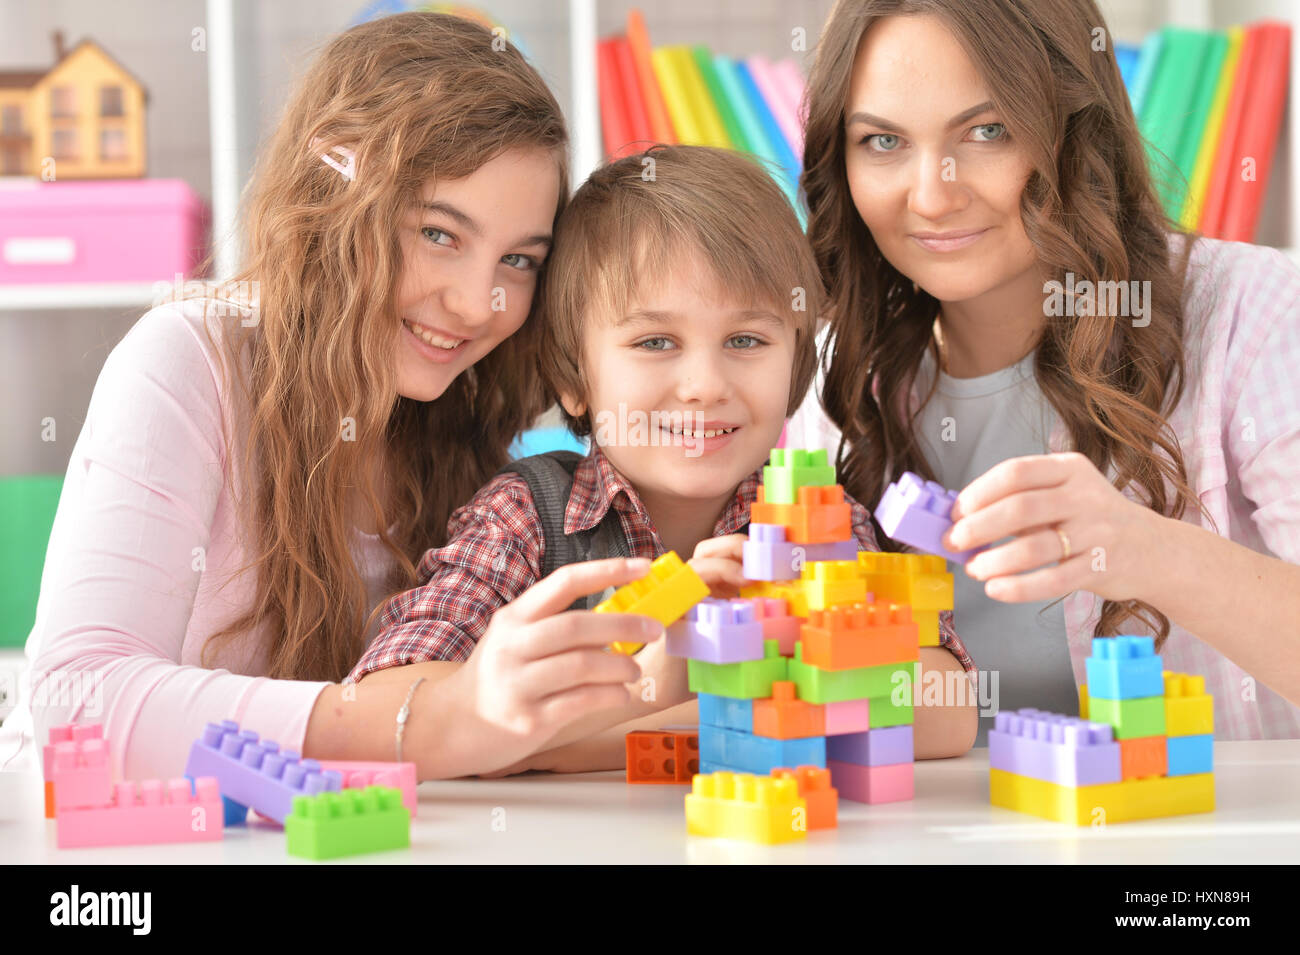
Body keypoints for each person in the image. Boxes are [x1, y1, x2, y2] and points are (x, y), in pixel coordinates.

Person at [3, 13, 655, 782]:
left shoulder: (467, 419)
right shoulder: (188, 361)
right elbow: (73, 695)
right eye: (439, 234)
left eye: (517, 259)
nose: (481, 303)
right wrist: (419, 722)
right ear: (332, 197)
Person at [349, 145, 978, 772]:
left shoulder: (818, 520)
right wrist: (682, 684)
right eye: (655, 341)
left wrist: (551, 745)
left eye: (745, 339)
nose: (705, 383)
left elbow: (949, 708)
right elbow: (386, 706)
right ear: (574, 378)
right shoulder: (522, 519)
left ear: (793, 369)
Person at [788, 0, 1300, 741]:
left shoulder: (1255, 313)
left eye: (987, 131)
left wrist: (1146, 551)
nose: (932, 195)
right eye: (883, 141)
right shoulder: (831, 378)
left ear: (1073, 131)